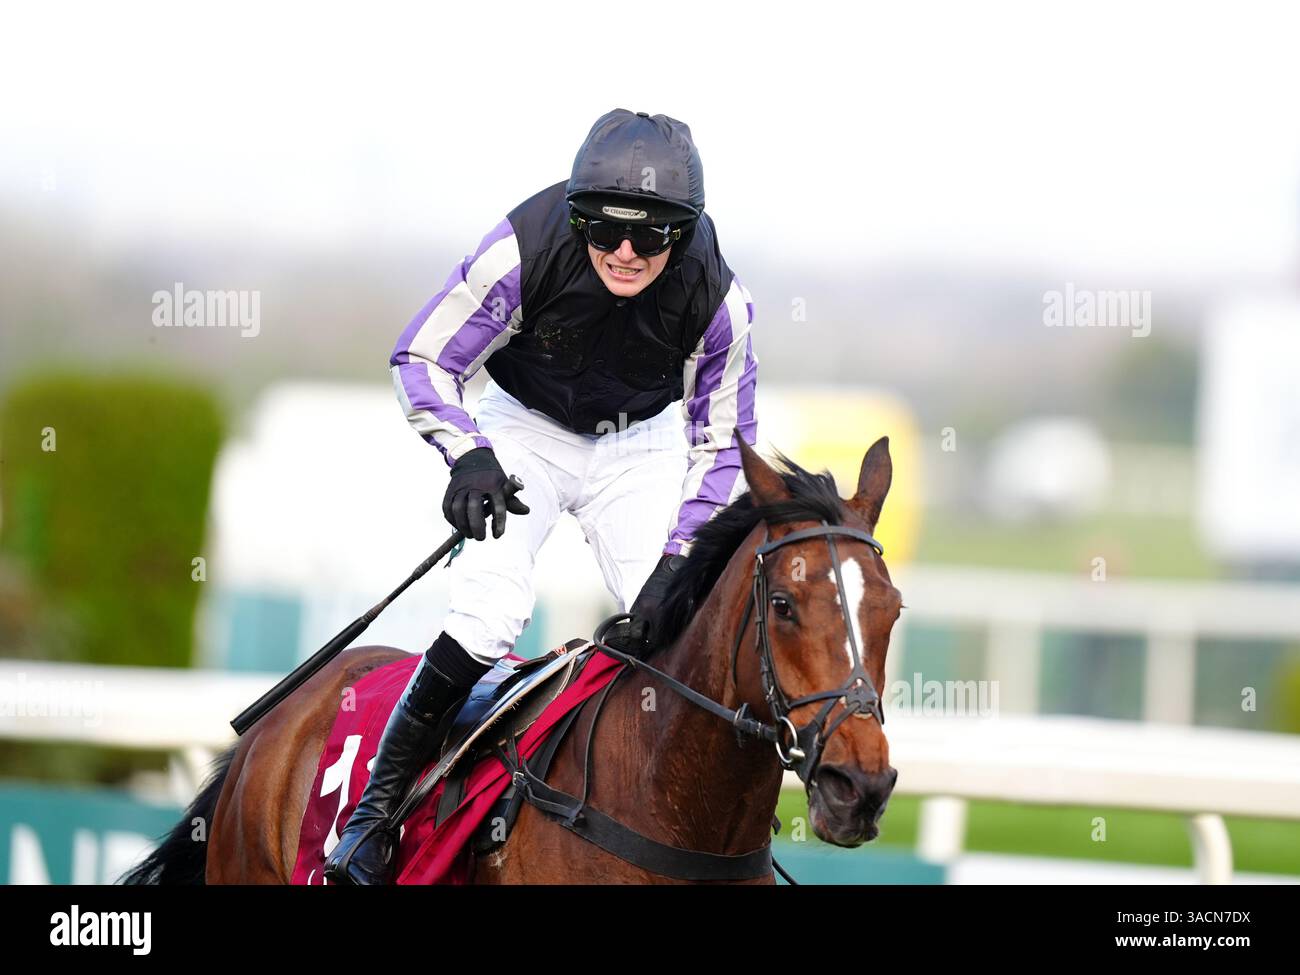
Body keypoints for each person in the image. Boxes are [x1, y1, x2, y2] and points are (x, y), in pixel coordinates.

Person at [324, 108, 758, 884]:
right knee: (490, 614)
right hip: (524, 426)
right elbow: (422, 355)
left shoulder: (722, 302)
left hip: (641, 442)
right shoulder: (520, 251)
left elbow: (721, 439)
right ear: (575, 215)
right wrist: (468, 455)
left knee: (681, 635)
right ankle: (375, 813)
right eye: (603, 229)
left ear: (684, 233)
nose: (625, 252)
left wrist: (678, 561)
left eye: (652, 236)